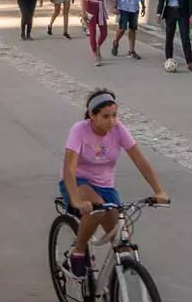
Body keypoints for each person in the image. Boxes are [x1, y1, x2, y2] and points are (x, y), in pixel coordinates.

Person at [61, 90, 169, 279]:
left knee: (122, 242)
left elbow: (140, 160)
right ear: (92, 116)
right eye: (105, 116)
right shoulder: (79, 130)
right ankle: (78, 252)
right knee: (97, 208)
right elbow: (69, 167)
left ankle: (116, 288)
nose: (112, 121)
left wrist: (158, 190)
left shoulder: (118, 129)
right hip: (79, 181)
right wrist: (76, 199)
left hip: (106, 186)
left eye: (114, 115)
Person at [82, 0, 111, 64]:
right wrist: (83, 12)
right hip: (91, 6)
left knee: (104, 32)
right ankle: (94, 53)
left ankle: (98, 46)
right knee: (92, 30)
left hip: (100, 6)